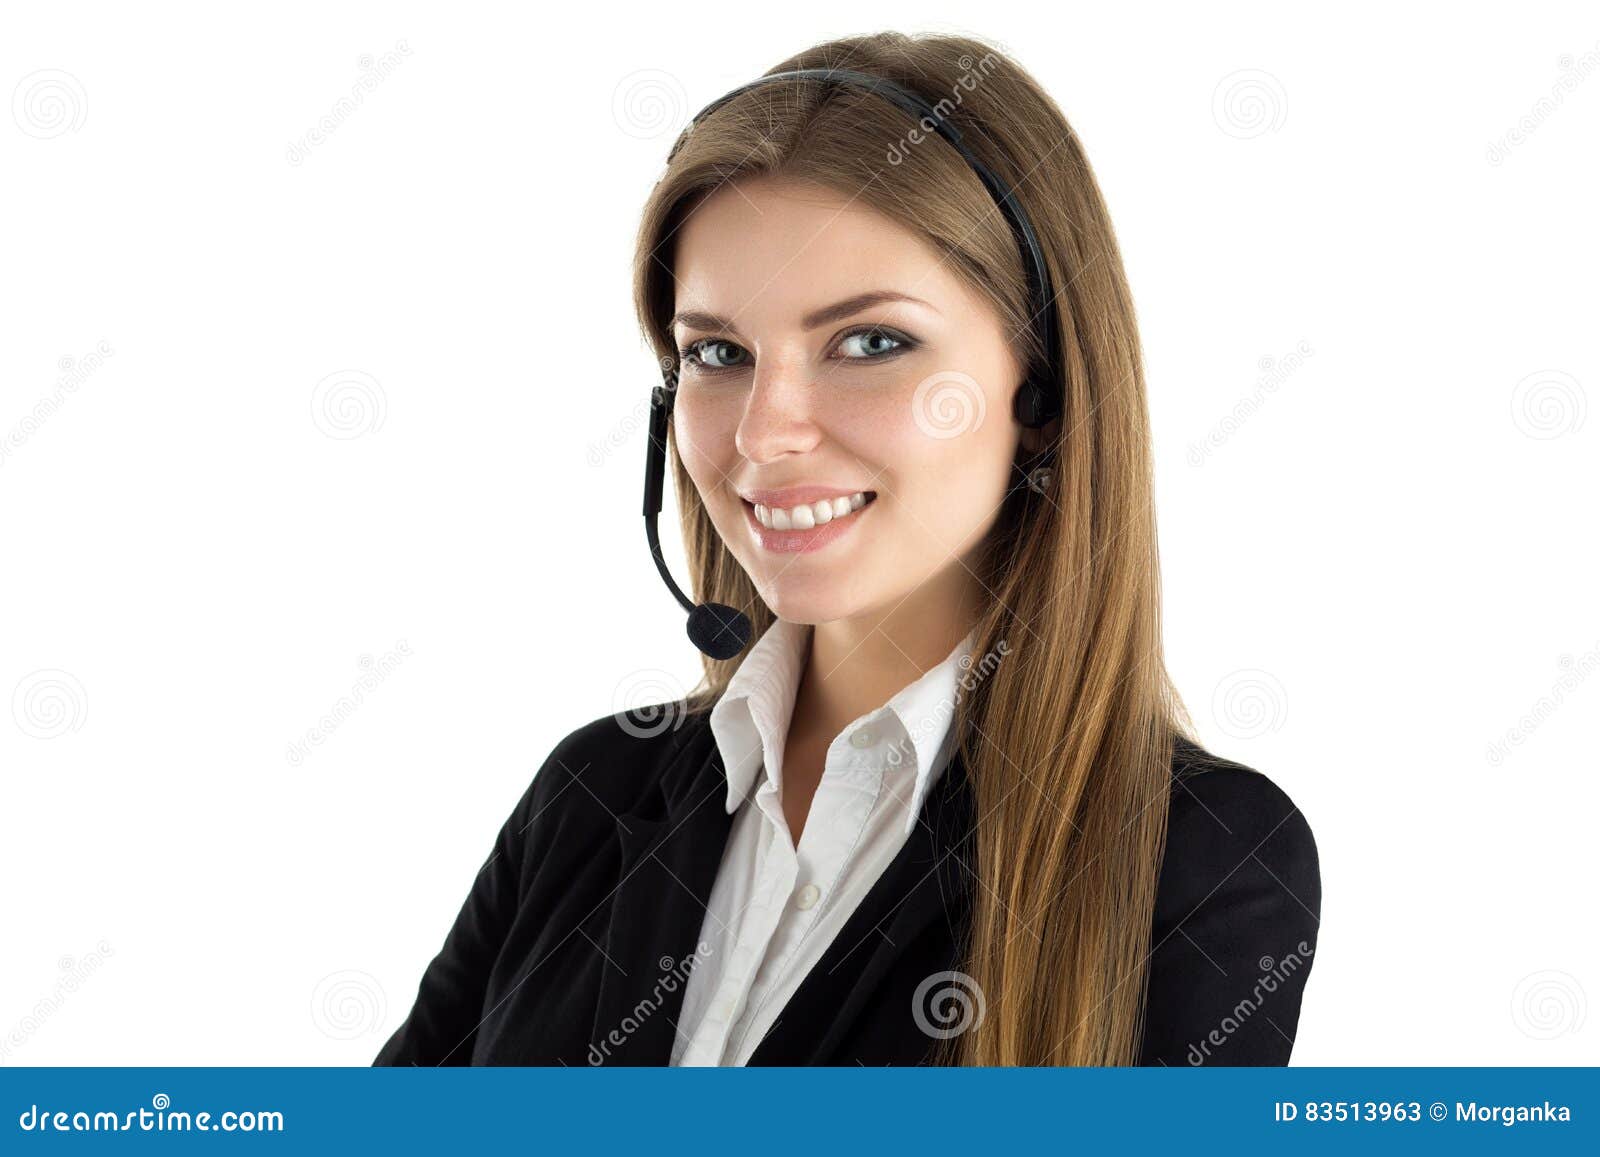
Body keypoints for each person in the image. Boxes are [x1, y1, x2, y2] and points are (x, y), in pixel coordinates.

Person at [374, 30, 1320, 1068]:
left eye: (869, 342)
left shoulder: (1199, 859)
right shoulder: (591, 795)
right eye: (718, 353)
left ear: (1039, 392)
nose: (761, 433)